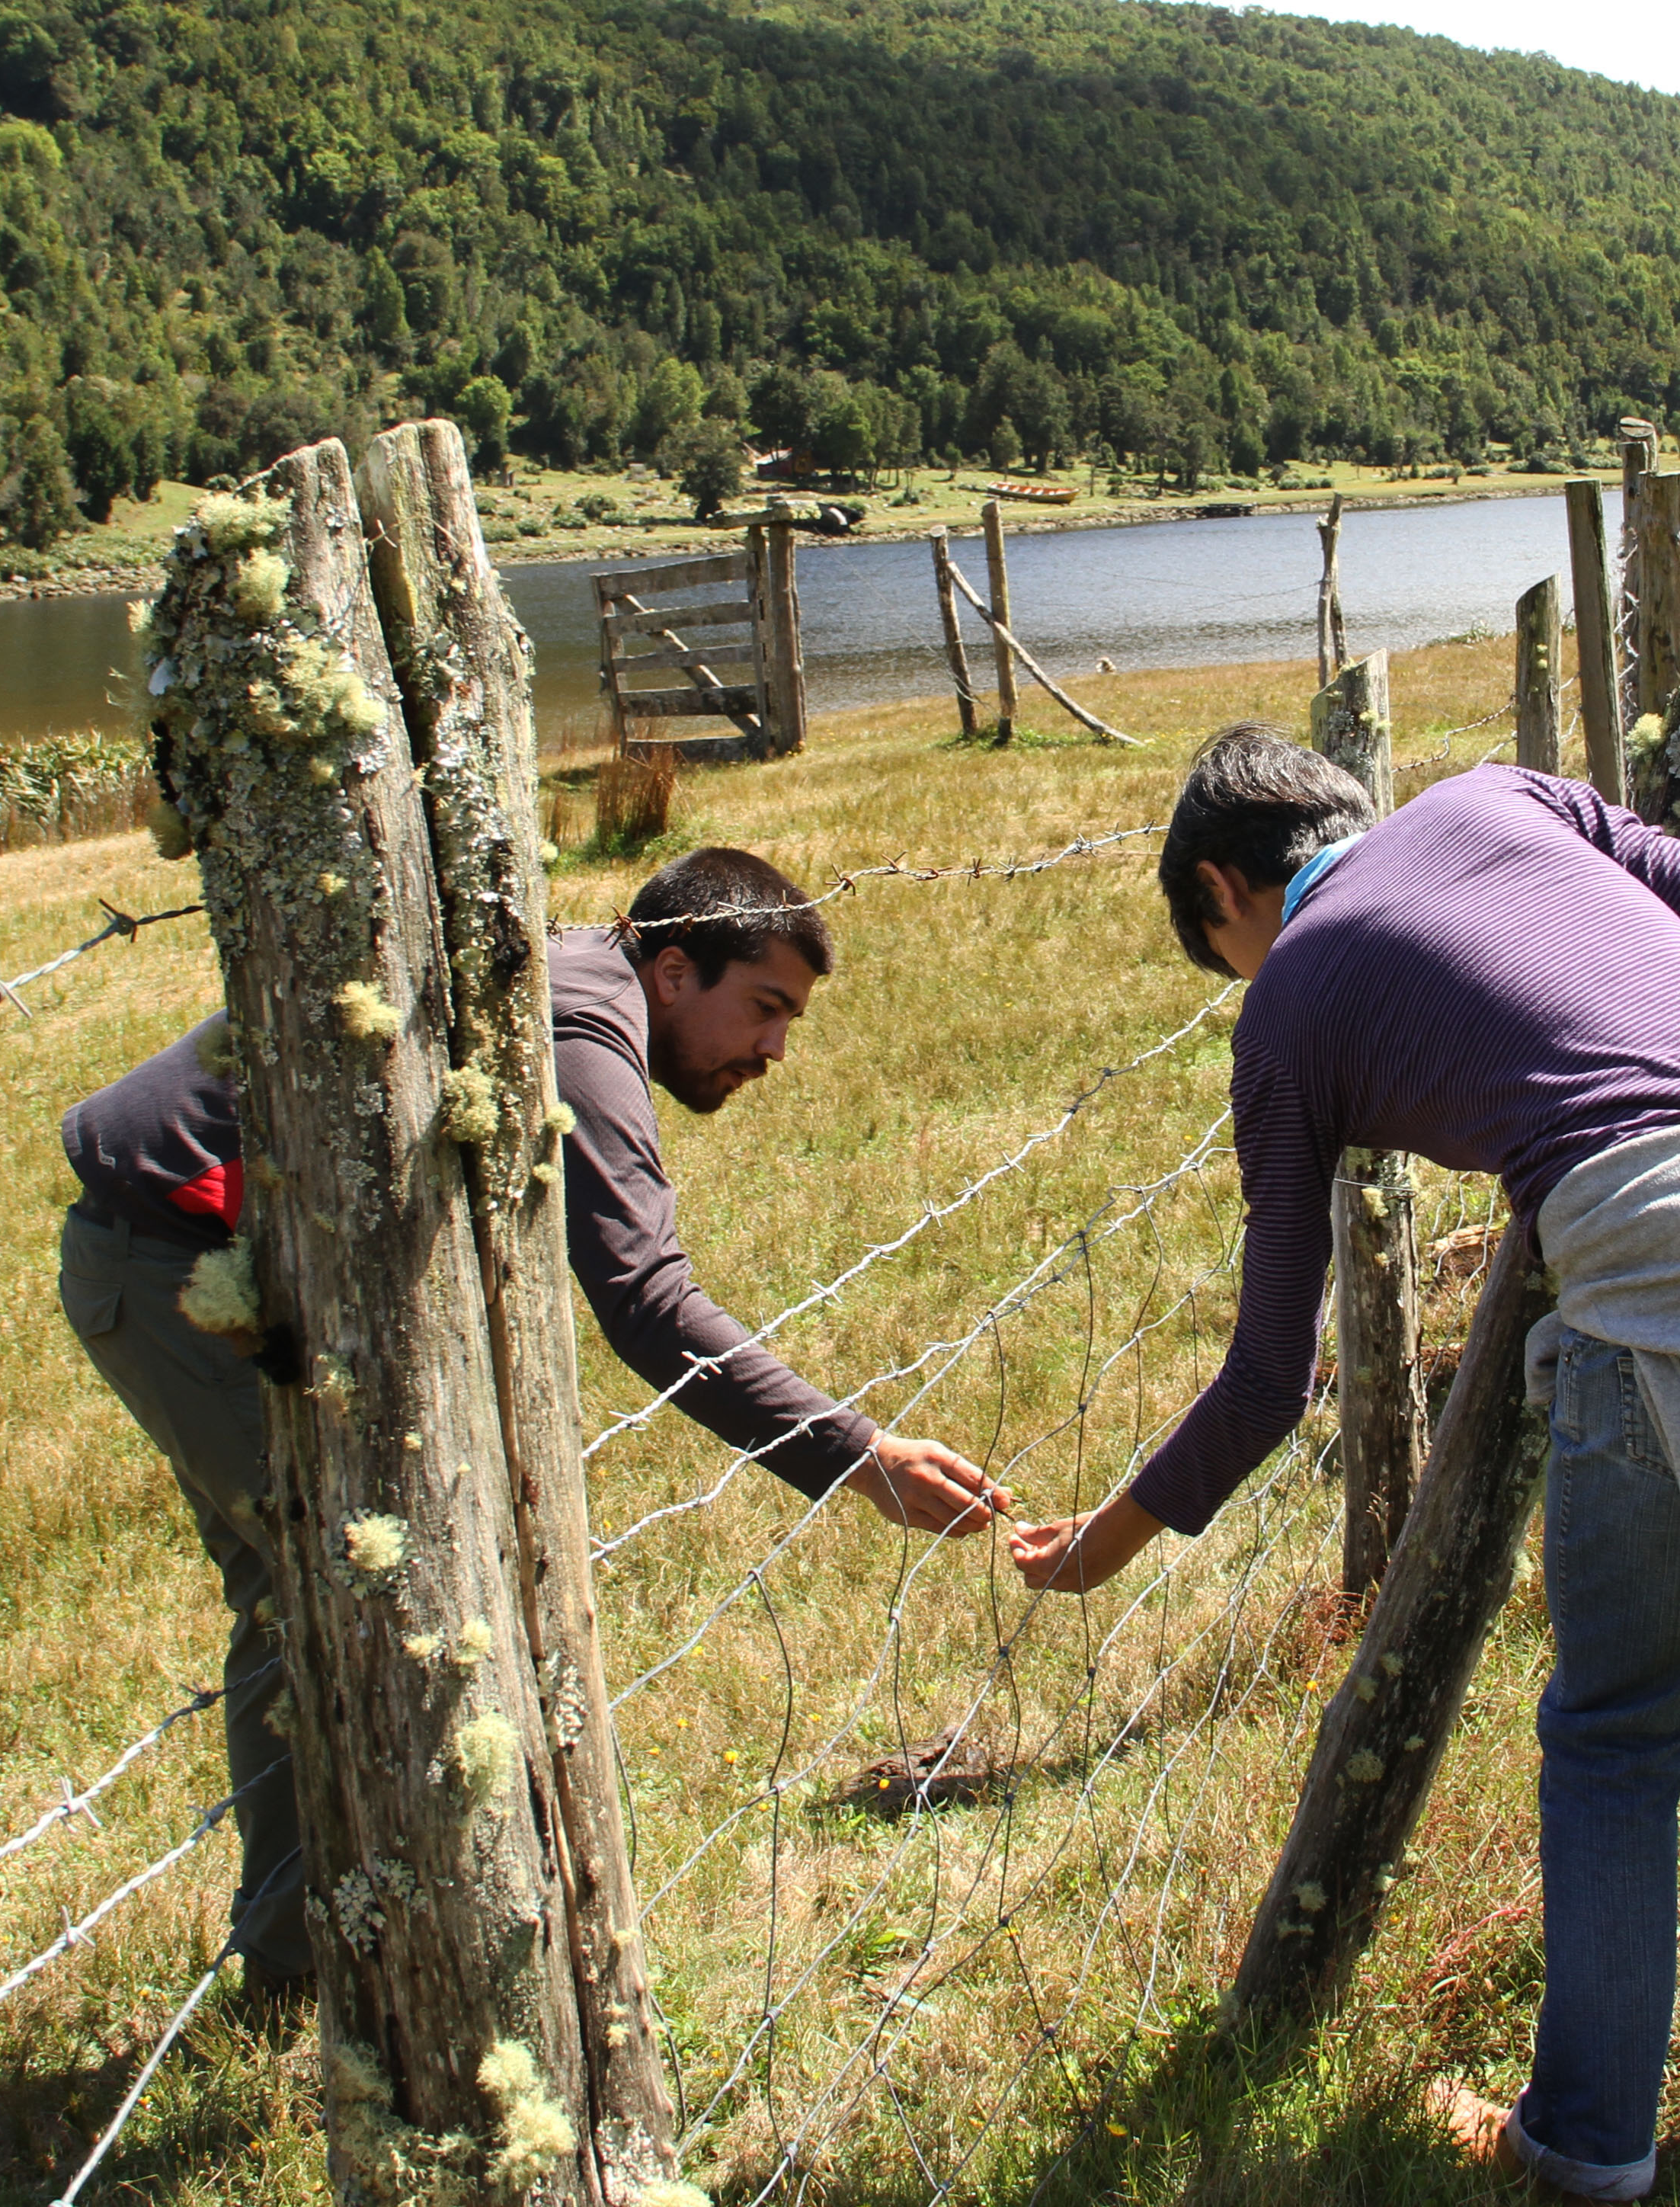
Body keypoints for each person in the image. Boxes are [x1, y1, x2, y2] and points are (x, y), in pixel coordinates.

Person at [1007, 666, 1680, 2198]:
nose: (1243, 980)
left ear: (1229, 886)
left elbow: (1267, 1379)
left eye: (1220, 951)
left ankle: (1587, 2150)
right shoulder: (1505, 796)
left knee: (1615, 1729)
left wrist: (1107, 1543)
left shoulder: (1286, 1010)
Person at [56, 845, 1008, 2010]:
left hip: (235, 1256)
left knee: (310, 1587)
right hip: (176, 1265)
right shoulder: (581, 1032)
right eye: (764, 1009)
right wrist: (854, 1453)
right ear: (671, 970)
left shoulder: (582, 989)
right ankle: (345, 1957)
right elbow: (647, 1298)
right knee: (353, 1589)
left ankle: (306, 1952)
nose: (774, 1051)